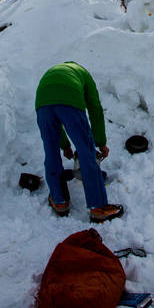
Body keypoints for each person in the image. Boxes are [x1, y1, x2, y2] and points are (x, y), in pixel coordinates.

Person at [35, 60, 122, 222]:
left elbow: (55, 113)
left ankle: (59, 201)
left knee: (51, 151)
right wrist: (101, 142)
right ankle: (98, 207)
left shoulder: (53, 73)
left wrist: (64, 146)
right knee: (86, 152)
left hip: (42, 103)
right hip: (70, 101)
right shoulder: (84, 75)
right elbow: (95, 109)